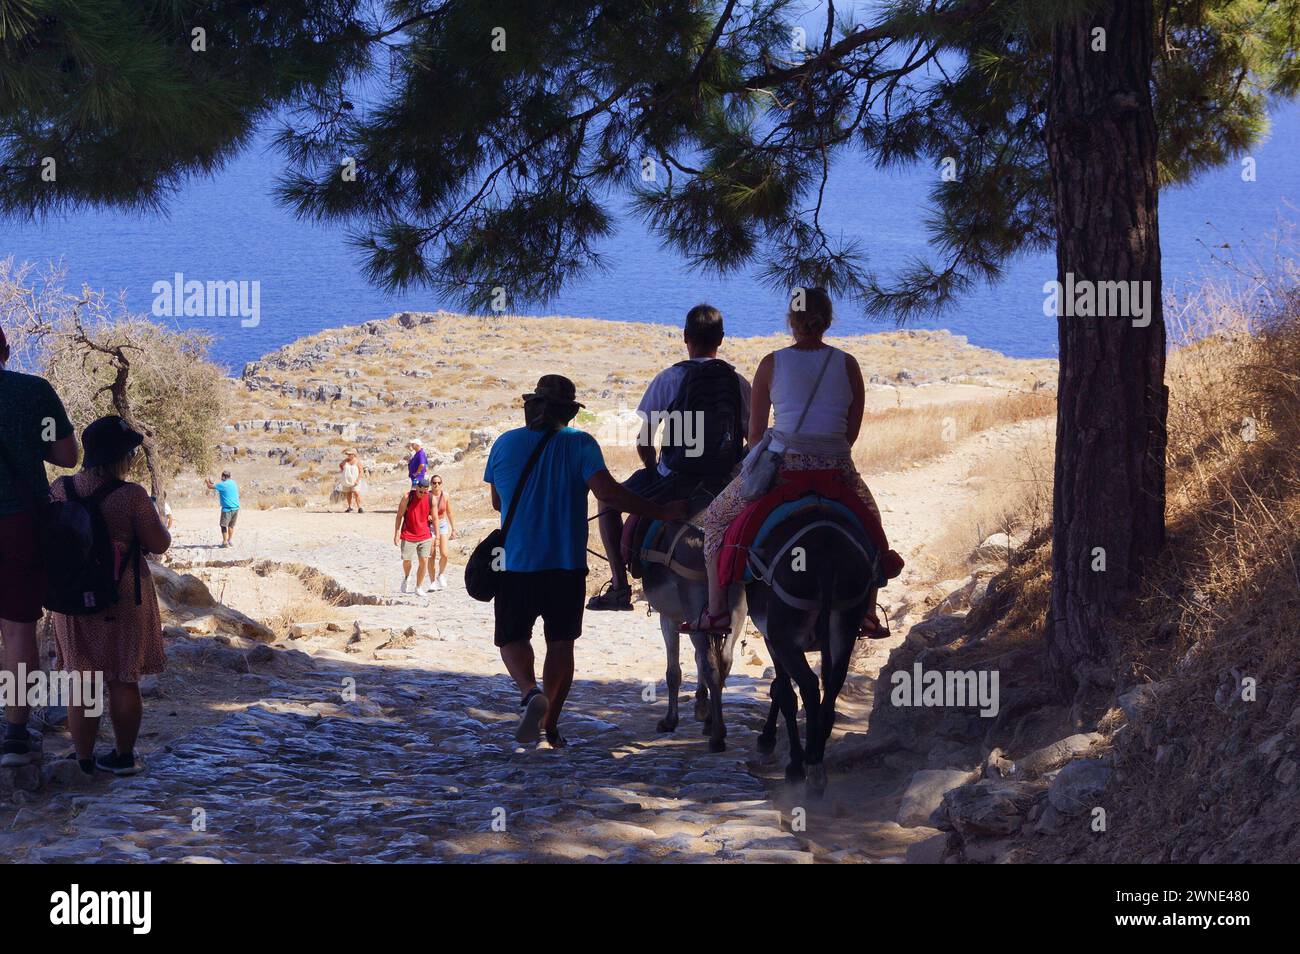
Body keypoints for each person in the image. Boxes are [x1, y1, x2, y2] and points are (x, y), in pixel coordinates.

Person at [484, 374, 686, 747]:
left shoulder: (504, 443)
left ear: (533, 408)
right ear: (569, 413)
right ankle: (552, 725)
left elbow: (497, 503)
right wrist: (662, 512)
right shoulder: (581, 445)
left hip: (514, 564)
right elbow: (610, 495)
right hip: (566, 564)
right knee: (561, 644)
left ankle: (530, 693)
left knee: (511, 639)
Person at [692, 288, 885, 636]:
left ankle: (718, 611)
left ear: (791, 320)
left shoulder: (772, 362)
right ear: (827, 320)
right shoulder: (848, 363)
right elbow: (850, 434)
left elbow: (753, 438)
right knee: (873, 523)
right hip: (837, 469)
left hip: (784, 468)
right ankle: (868, 613)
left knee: (717, 519)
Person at [588, 304, 751, 610]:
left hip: (674, 479)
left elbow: (645, 441)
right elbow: (752, 439)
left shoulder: (668, 379)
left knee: (607, 502)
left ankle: (620, 587)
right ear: (721, 339)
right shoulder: (738, 382)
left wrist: (652, 469)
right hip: (724, 479)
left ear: (686, 337)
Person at [49, 415, 171, 776]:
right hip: (122, 597)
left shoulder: (61, 488)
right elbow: (159, 544)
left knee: (82, 679)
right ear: (123, 456)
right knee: (122, 677)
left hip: (71, 597)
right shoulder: (131, 495)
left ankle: (83, 759)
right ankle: (122, 756)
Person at [0, 327, 79, 768]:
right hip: (20, 523)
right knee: (17, 630)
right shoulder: (34, 393)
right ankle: (15, 733)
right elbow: (67, 456)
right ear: (7, 351)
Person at [393, 478, 435, 595]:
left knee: (424, 560)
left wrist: (435, 536)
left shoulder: (431, 498)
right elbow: (399, 516)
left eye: (425, 492)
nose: (422, 494)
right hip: (408, 534)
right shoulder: (407, 497)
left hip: (425, 535)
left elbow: (435, 518)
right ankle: (407, 576)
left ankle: (418, 587)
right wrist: (396, 533)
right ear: (416, 488)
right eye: (420, 491)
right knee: (407, 560)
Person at [428, 474, 456, 590]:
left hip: (442, 524)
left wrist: (453, 528)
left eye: (439, 483)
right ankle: (432, 581)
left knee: (444, 554)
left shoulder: (445, 496)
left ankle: (441, 574)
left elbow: (449, 512)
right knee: (432, 554)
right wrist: (427, 516)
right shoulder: (427, 496)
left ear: (441, 484)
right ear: (431, 484)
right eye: (434, 483)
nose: (436, 485)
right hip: (429, 526)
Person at [204, 470, 240, 547]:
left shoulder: (222, 485)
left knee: (223, 526)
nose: (221, 478)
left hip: (227, 509)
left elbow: (210, 487)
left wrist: (207, 481)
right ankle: (230, 540)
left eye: (222, 477)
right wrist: (212, 483)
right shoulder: (233, 483)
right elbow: (218, 487)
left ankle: (225, 542)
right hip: (236, 508)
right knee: (231, 526)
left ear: (224, 476)